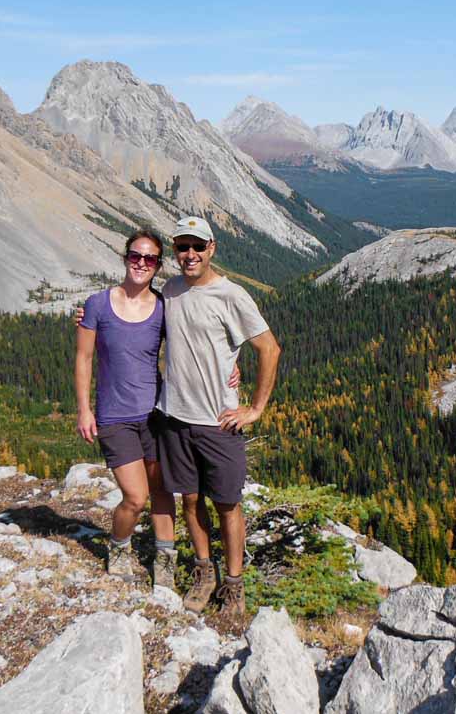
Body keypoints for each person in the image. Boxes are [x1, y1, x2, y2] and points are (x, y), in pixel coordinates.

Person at [155, 215, 281, 617]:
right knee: (190, 500)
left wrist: (256, 408)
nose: (189, 255)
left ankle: (234, 584)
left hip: (218, 422)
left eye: (197, 247)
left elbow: (269, 349)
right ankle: (204, 572)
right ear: (175, 250)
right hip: (175, 418)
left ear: (212, 249)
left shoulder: (232, 295)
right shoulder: (169, 291)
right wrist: (89, 321)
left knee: (228, 504)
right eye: (182, 247)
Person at [74, 230, 184, 587]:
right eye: (136, 256)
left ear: (157, 266)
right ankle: (119, 545)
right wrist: (84, 410)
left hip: (156, 415)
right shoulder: (98, 305)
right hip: (115, 417)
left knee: (163, 491)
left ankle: (165, 560)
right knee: (136, 498)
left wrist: (231, 364)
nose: (141, 263)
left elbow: (194, 339)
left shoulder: (162, 308)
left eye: (149, 259)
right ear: (125, 258)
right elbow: (83, 358)